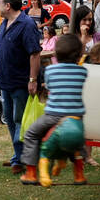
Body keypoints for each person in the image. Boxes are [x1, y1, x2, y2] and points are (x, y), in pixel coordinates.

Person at [20, 34, 88, 186]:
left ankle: (30, 172)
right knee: (78, 141)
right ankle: (79, 174)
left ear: (56, 53)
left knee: (31, 134)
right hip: (75, 116)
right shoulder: (82, 72)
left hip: (53, 115)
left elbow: (50, 87)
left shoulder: (50, 70)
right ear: (78, 55)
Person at [0, 0, 43, 170]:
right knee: (9, 118)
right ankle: (19, 155)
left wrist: (33, 79)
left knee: (20, 119)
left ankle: (23, 159)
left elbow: (35, 53)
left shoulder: (27, 24)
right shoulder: (6, 22)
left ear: (8, 6)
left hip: (21, 80)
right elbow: (4, 45)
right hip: (5, 79)